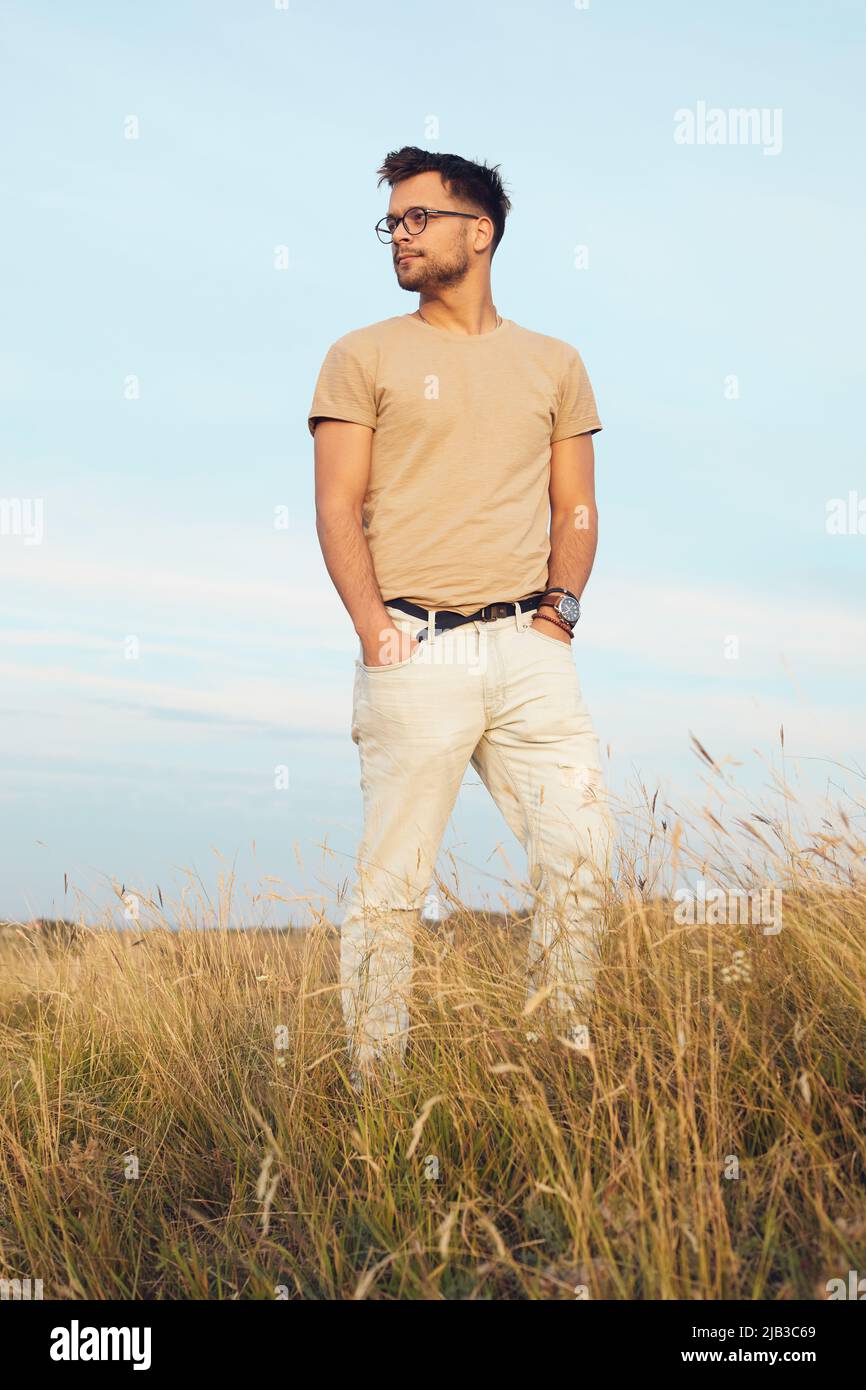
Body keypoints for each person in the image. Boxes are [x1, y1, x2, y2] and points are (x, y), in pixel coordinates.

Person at [309, 146, 615, 1082]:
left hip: (531, 647)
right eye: (391, 222)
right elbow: (336, 507)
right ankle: (377, 1089)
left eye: (417, 218)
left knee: (581, 856)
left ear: (478, 233)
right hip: (414, 643)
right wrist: (375, 633)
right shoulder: (363, 355)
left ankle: (557, 1061)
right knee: (392, 886)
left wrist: (558, 616)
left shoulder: (554, 362)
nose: (398, 236)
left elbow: (577, 506)